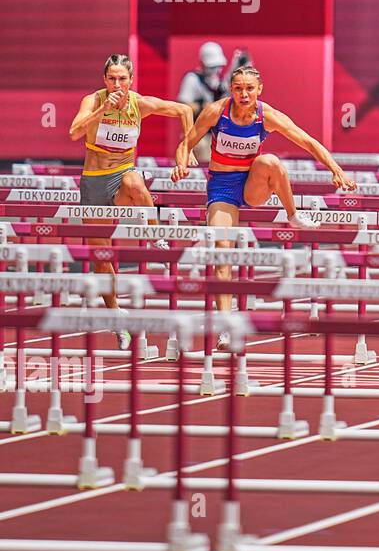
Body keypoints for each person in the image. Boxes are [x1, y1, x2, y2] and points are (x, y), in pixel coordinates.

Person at [177, 64, 357, 333]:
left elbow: (307, 141)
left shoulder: (267, 116)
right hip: (222, 188)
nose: (244, 94)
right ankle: (226, 325)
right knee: (220, 253)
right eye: (238, 89)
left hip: (252, 184)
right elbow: (185, 143)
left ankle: (293, 215)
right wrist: (182, 161)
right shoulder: (216, 111)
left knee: (271, 161)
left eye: (250, 89)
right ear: (231, 90)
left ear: (259, 90)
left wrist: (336, 169)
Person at [68, 54, 195, 345]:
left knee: (135, 180)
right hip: (95, 180)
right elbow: (74, 132)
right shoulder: (93, 100)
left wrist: (186, 147)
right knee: (101, 258)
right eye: (111, 78)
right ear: (104, 80)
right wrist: (102, 111)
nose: (117, 84)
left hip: (123, 176)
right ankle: (116, 316)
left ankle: (155, 233)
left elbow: (184, 110)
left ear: (131, 80)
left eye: (122, 79)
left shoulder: (140, 103)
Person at [179, 43, 251, 164]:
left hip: (218, 134)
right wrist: (202, 106)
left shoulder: (218, 82)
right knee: (205, 165)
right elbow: (182, 106)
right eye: (212, 66)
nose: (216, 70)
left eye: (218, 66)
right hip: (199, 135)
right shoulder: (193, 79)